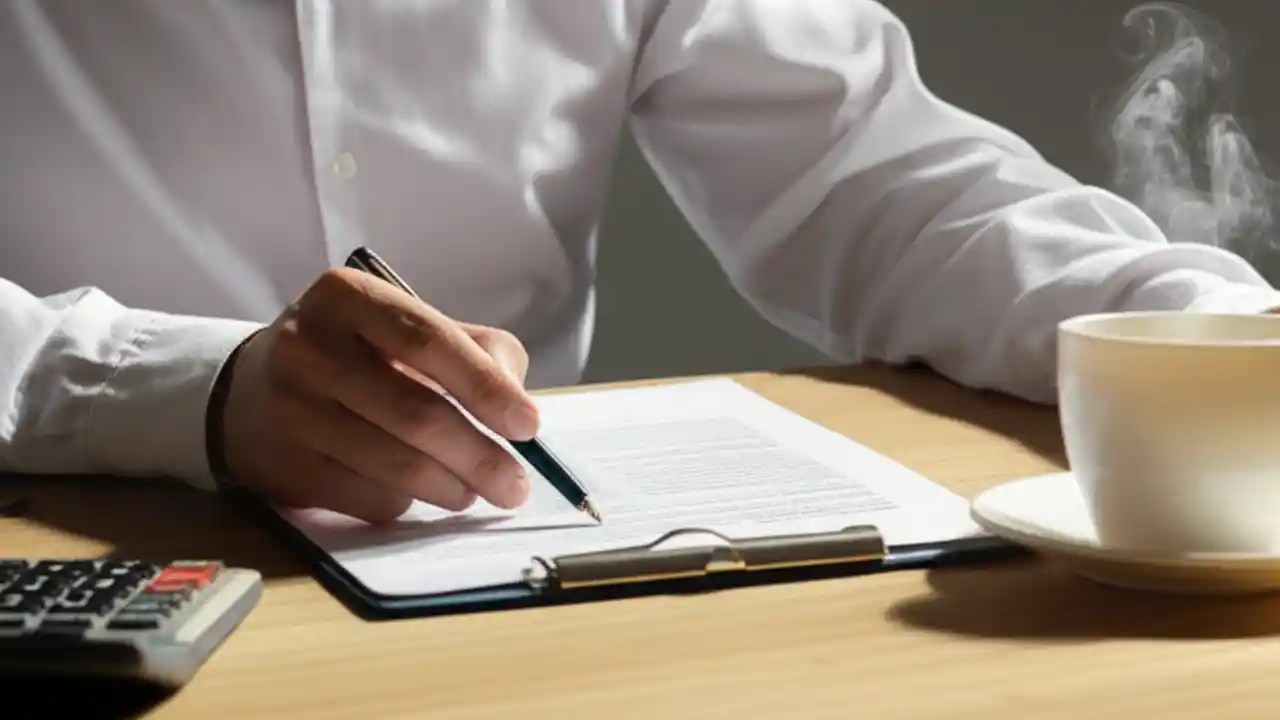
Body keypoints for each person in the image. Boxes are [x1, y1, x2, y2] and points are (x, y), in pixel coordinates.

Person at [2, 1, 1277, 524]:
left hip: (493, 556)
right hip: (68, 547)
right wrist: (192, 387)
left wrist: (1202, 320)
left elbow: (864, 176)